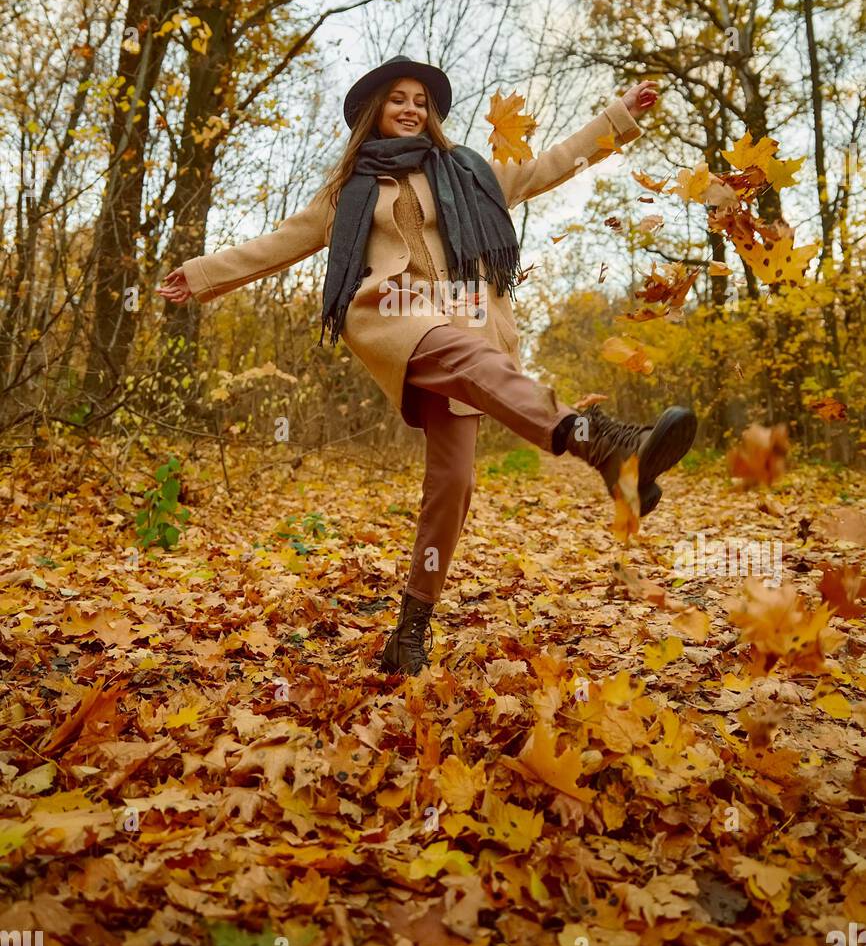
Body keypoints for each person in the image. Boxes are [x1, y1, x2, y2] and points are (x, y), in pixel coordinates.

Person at [157, 55, 696, 676]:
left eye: (420, 99)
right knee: (463, 352)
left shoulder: (470, 172)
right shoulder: (347, 193)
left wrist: (619, 117)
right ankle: (598, 442)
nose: (411, 108)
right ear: (375, 114)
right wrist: (201, 276)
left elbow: (553, 162)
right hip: (395, 317)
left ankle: (409, 631)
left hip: (466, 326)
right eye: (397, 100)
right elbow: (279, 242)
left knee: (453, 486)